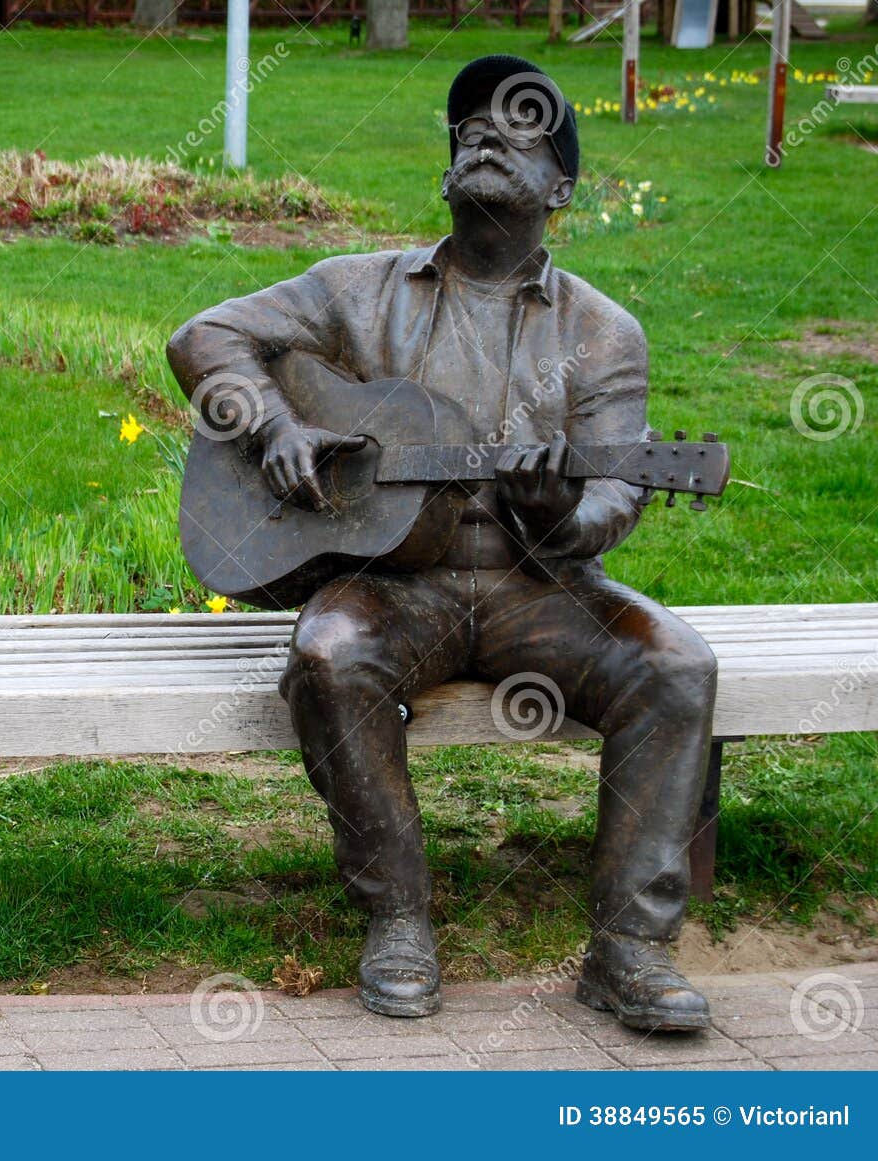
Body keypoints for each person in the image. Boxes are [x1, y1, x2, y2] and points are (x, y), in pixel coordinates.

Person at [166, 56, 717, 1031]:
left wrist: (557, 516)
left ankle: (629, 950)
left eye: (521, 123)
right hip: (393, 581)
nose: (485, 132)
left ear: (560, 187)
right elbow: (201, 335)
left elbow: (621, 487)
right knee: (328, 654)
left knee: (673, 666)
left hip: (537, 589)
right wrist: (275, 429)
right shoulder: (355, 291)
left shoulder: (603, 333)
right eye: (469, 122)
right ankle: (398, 920)